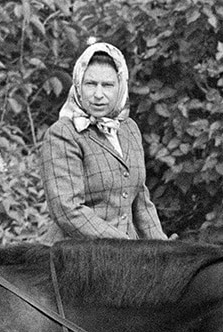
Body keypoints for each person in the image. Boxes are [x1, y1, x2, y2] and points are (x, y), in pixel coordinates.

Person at [39, 42, 168, 243]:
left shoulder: (129, 129)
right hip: (77, 254)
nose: (99, 94)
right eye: (91, 84)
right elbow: (68, 210)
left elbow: (141, 202)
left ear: (120, 87)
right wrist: (127, 247)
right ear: (78, 85)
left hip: (128, 256)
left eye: (107, 85)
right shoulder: (63, 134)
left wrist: (164, 250)